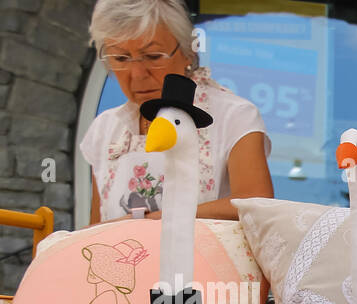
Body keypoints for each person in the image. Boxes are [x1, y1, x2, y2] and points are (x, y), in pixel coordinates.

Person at [82, 0, 273, 224]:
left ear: (187, 52)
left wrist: (153, 222)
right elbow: (94, 231)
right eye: (121, 59)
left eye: (153, 56)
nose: (137, 73)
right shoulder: (104, 129)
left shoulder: (234, 116)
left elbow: (255, 203)